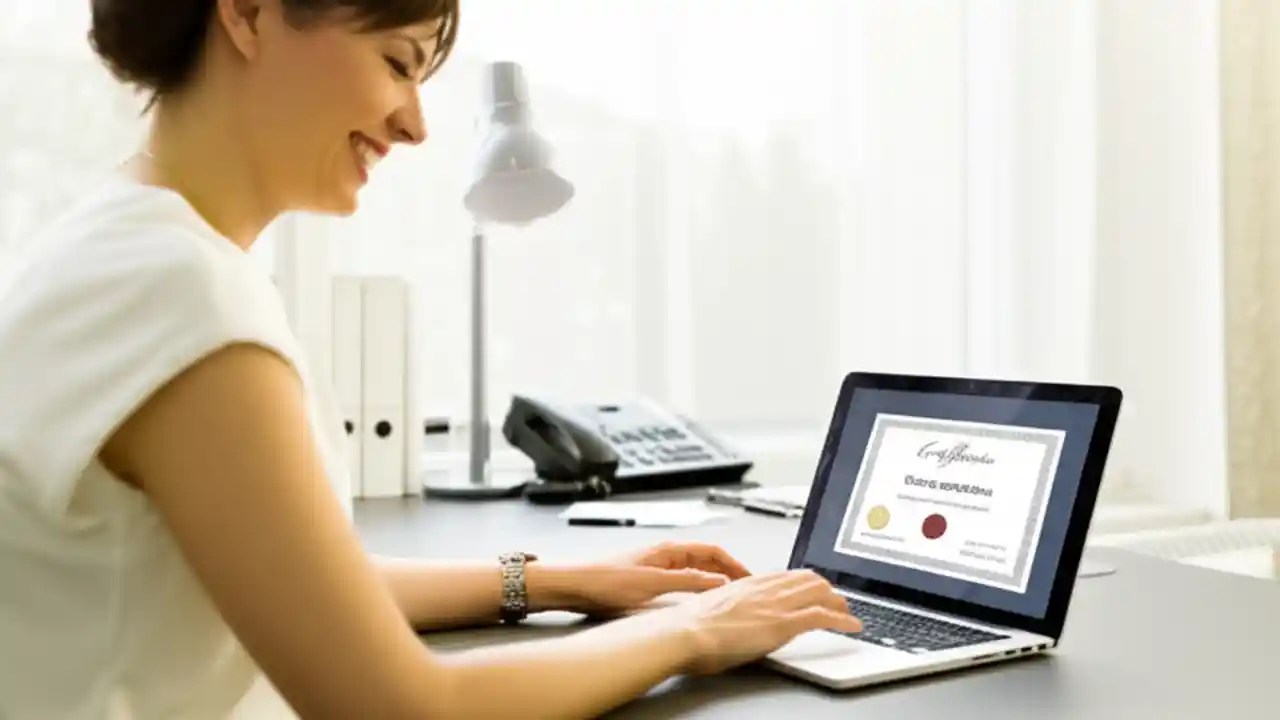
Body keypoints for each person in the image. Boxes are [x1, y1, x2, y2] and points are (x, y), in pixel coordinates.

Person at [0, 1, 862, 717]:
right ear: (250, 14)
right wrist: (698, 630)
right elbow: (403, 708)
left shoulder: (117, 245)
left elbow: (302, 585)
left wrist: (570, 581)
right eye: (398, 62)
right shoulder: (176, 291)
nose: (414, 124)